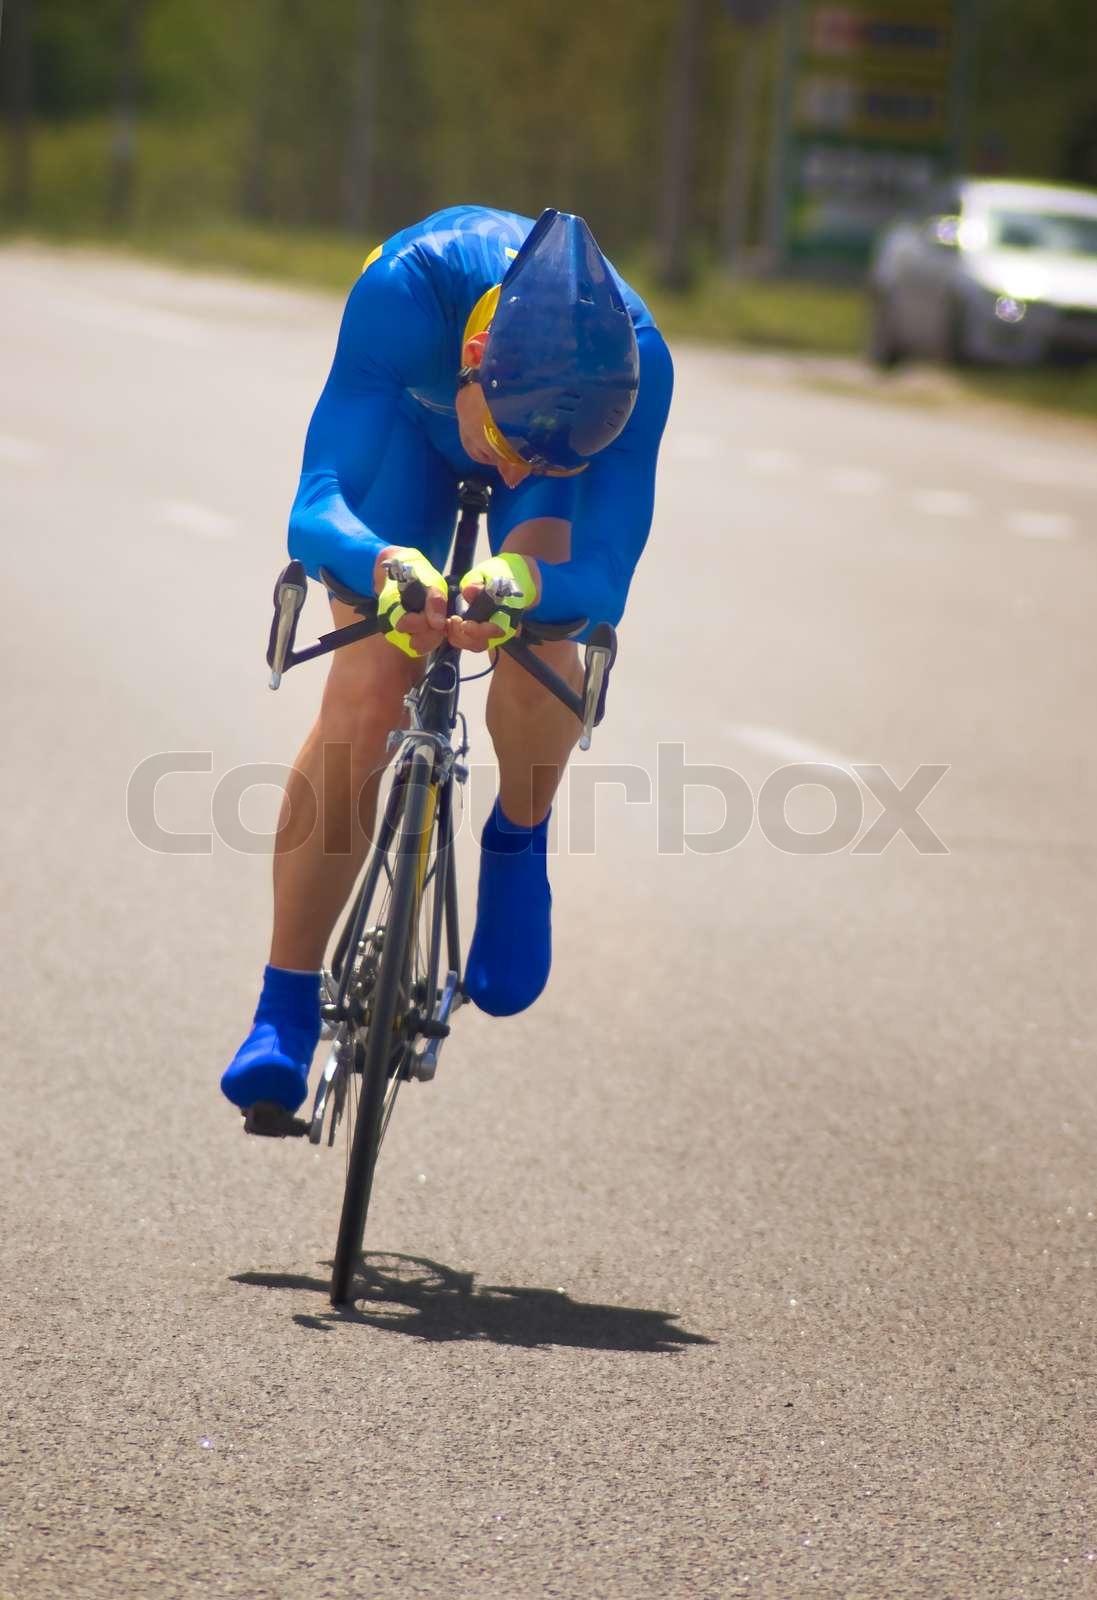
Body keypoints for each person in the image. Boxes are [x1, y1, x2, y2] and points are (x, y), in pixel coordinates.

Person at [221, 204, 673, 1115]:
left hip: (539, 449)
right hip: (407, 436)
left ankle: (518, 833)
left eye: (535, 458)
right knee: (368, 689)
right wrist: (387, 566)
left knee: (541, 628)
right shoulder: (406, 290)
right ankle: (283, 1007)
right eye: (505, 446)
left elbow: (605, 579)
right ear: (474, 364)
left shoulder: (636, 360)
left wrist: (518, 583)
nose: (508, 473)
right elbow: (318, 507)